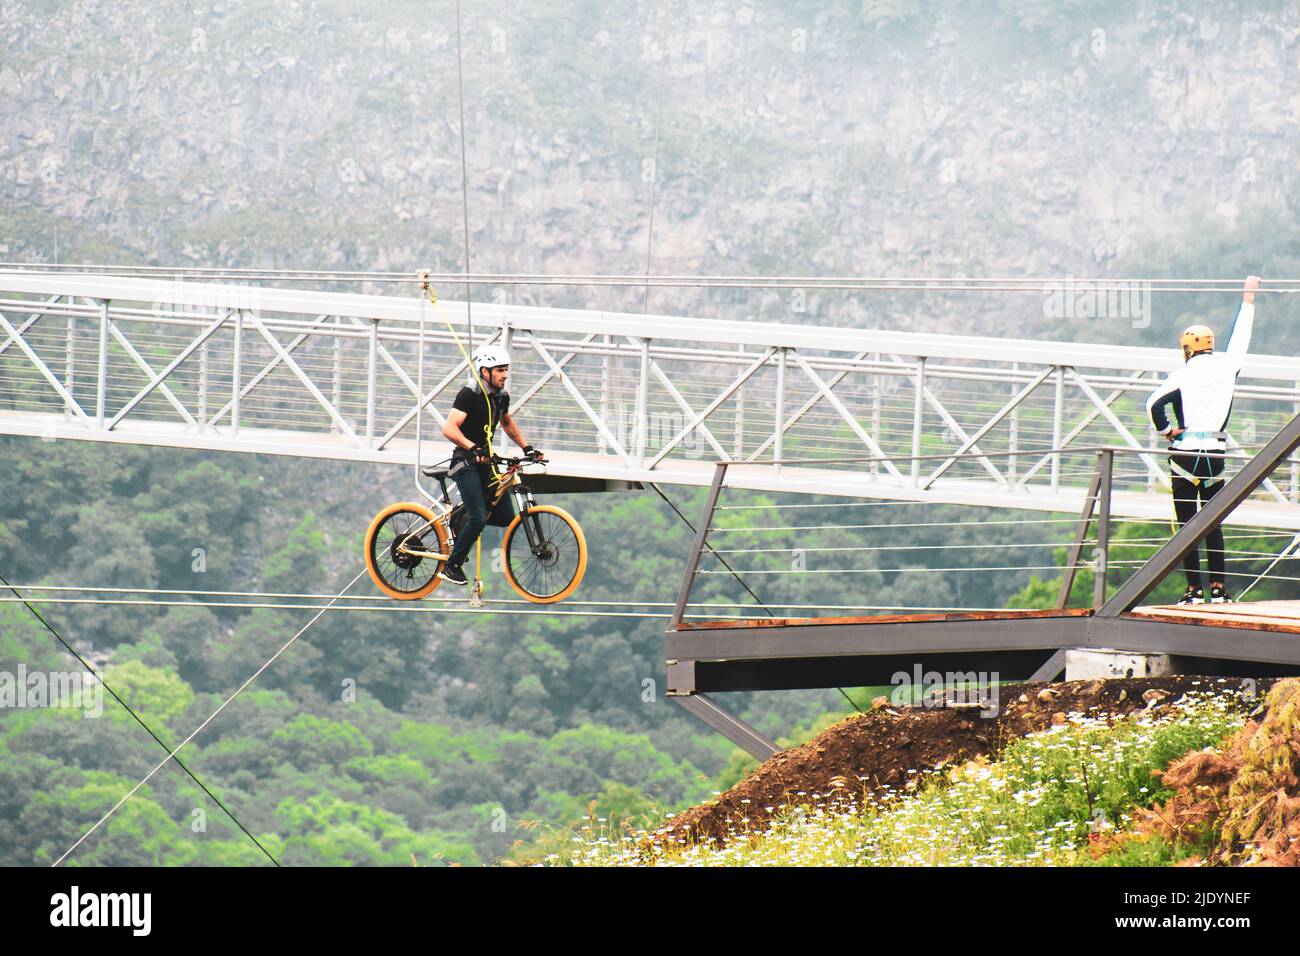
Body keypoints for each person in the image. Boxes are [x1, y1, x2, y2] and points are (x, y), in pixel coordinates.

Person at [1145, 275, 1261, 605]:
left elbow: (1152, 405)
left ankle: (1193, 591)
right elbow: (1241, 339)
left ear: (1186, 349)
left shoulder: (1180, 376)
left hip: (1183, 454)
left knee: (1186, 527)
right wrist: (1248, 298)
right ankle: (1219, 591)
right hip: (1214, 453)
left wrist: (1167, 430)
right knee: (1213, 524)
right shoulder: (1227, 368)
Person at [437, 346, 546, 586]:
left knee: (505, 514)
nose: (504, 375)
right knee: (478, 518)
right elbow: (449, 428)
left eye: (506, 369)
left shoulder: (501, 396)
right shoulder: (469, 393)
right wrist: (472, 446)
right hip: (465, 462)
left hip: (485, 461)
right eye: (499, 370)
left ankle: (460, 519)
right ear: (485, 371)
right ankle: (451, 566)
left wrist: (527, 448)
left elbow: (507, 422)